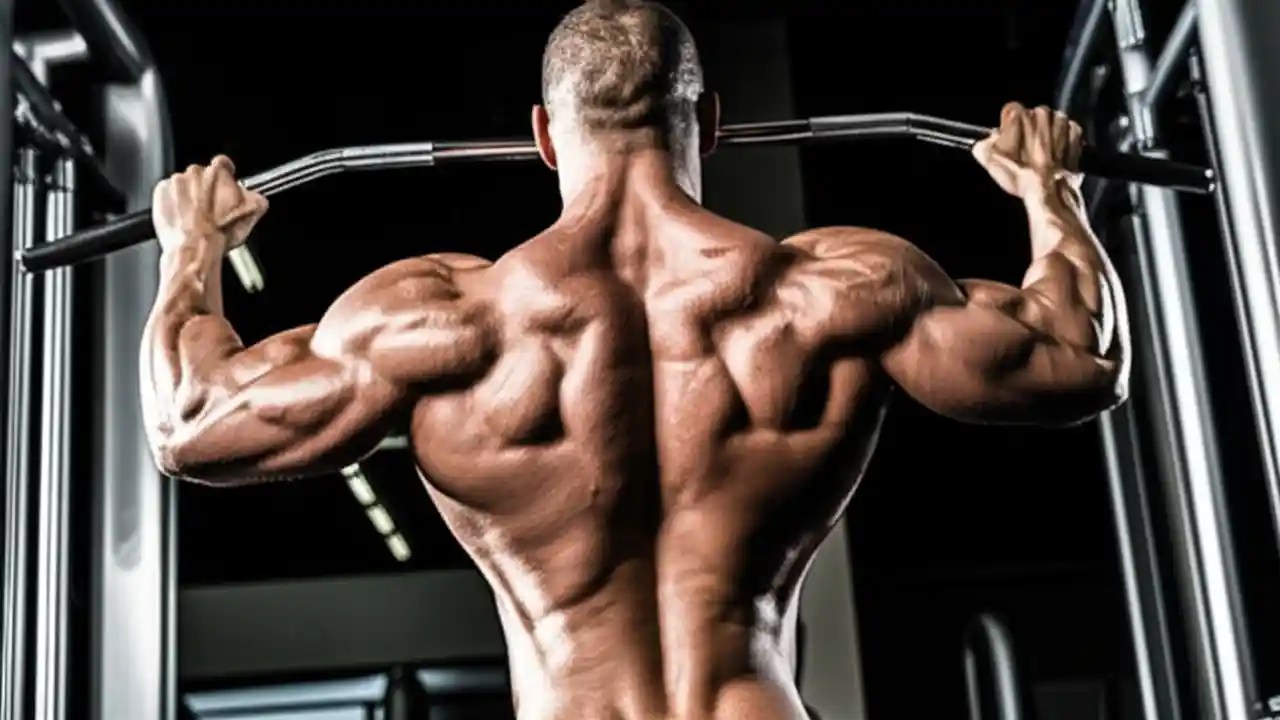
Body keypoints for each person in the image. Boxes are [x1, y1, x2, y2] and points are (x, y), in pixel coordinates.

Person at [139, 1, 1129, 718]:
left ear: (541, 136)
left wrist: (191, 253)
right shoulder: (835, 286)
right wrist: (1047, 195)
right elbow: (1077, 359)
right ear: (706, 122)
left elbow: (190, 424)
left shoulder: (441, 321)